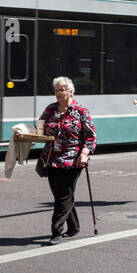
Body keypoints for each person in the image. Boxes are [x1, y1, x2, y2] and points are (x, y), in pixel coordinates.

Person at [38, 76, 96, 244]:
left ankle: (56, 232)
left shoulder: (80, 111)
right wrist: (26, 134)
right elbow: (40, 128)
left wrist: (84, 154)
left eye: (62, 89)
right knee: (61, 195)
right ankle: (74, 227)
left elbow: (91, 137)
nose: (58, 93)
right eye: (56, 90)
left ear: (71, 91)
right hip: (52, 158)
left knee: (63, 195)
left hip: (73, 160)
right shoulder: (50, 109)